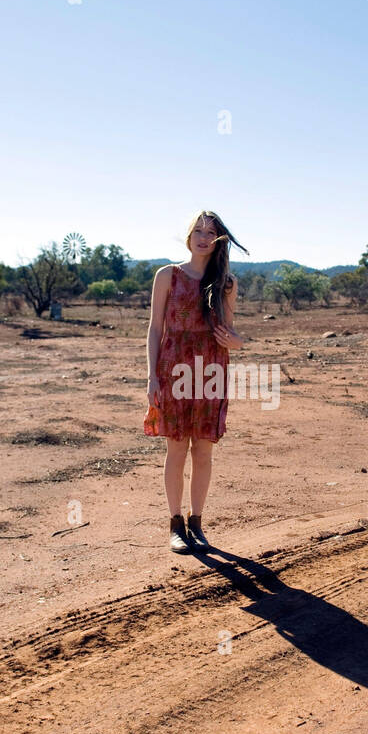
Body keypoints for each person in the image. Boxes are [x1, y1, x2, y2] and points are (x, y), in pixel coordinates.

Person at [144, 210, 248, 553]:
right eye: (198, 231)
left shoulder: (226, 283)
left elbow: (231, 331)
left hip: (211, 370)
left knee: (203, 450)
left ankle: (197, 523)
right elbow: (155, 329)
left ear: (218, 241)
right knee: (176, 448)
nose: (203, 237)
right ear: (188, 236)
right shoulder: (167, 276)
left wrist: (237, 342)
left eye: (211, 233)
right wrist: (152, 376)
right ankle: (175, 526)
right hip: (173, 370)